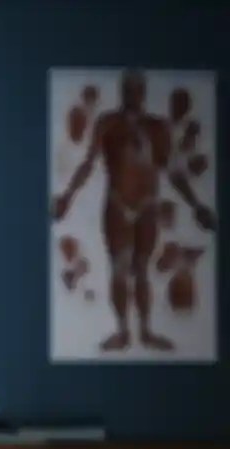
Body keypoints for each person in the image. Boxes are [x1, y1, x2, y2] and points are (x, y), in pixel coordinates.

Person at [52, 69, 217, 352]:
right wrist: (67, 196)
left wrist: (196, 205)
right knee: (119, 269)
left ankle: (145, 331)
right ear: (122, 91)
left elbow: (174, 171)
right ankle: (123, 332)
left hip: (147, 206)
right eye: (128, 88)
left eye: (137, 89)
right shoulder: (108, 123)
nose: (133, 94)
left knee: (141, 269)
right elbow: (89, 163)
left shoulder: (157, 127)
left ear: (143, 92)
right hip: (118, 204)